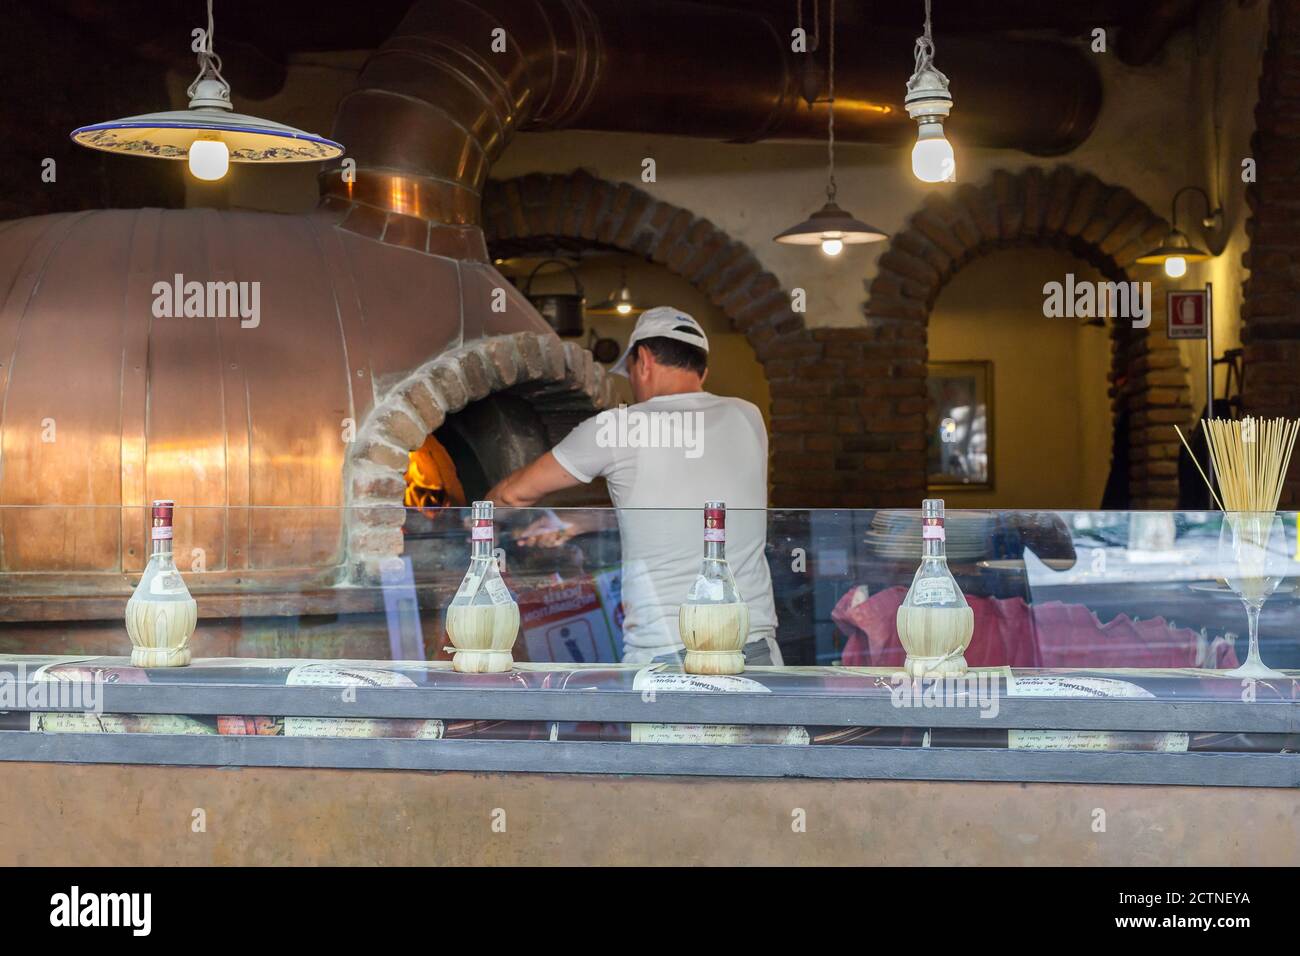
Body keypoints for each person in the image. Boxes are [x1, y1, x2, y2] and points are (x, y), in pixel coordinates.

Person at [484, 306, 780, 665]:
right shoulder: (747, 417)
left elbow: (513, 494)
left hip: (669, 651)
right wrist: (576, 522)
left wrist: (473, 524)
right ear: (703, 370)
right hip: (756, 645)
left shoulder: (618, 426)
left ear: (644, 360)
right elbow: (681, 501)